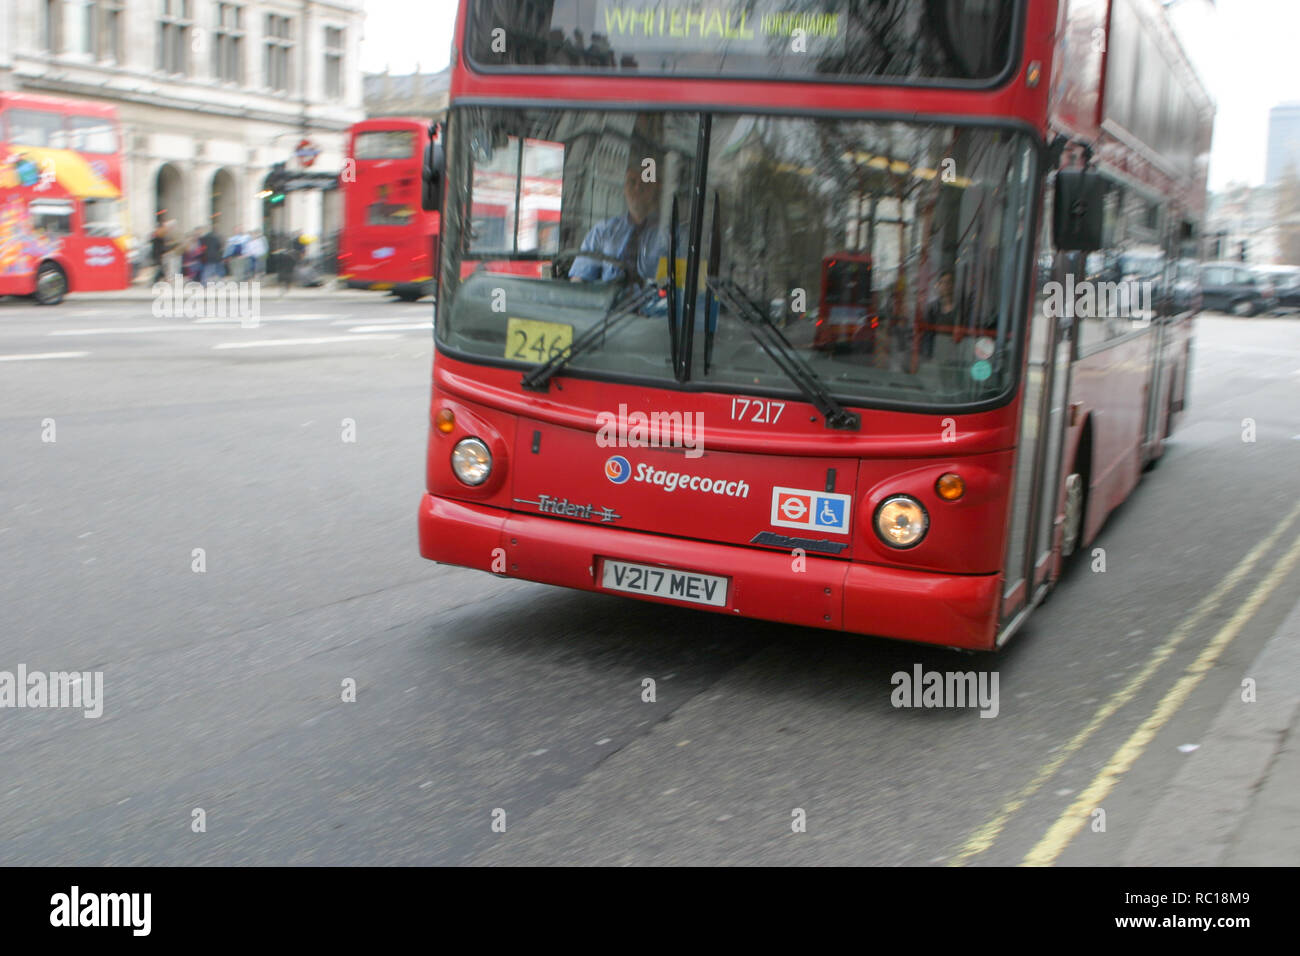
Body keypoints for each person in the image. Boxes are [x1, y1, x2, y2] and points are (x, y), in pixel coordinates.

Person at [570, 160, 666, 284]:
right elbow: (580, 279)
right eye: (632, 182)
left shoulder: (672, 236)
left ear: (656, 187)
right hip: (610, 301)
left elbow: (678, 283)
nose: (637, 188)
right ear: (624, 189)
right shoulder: (603, 231)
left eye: (645, 182)